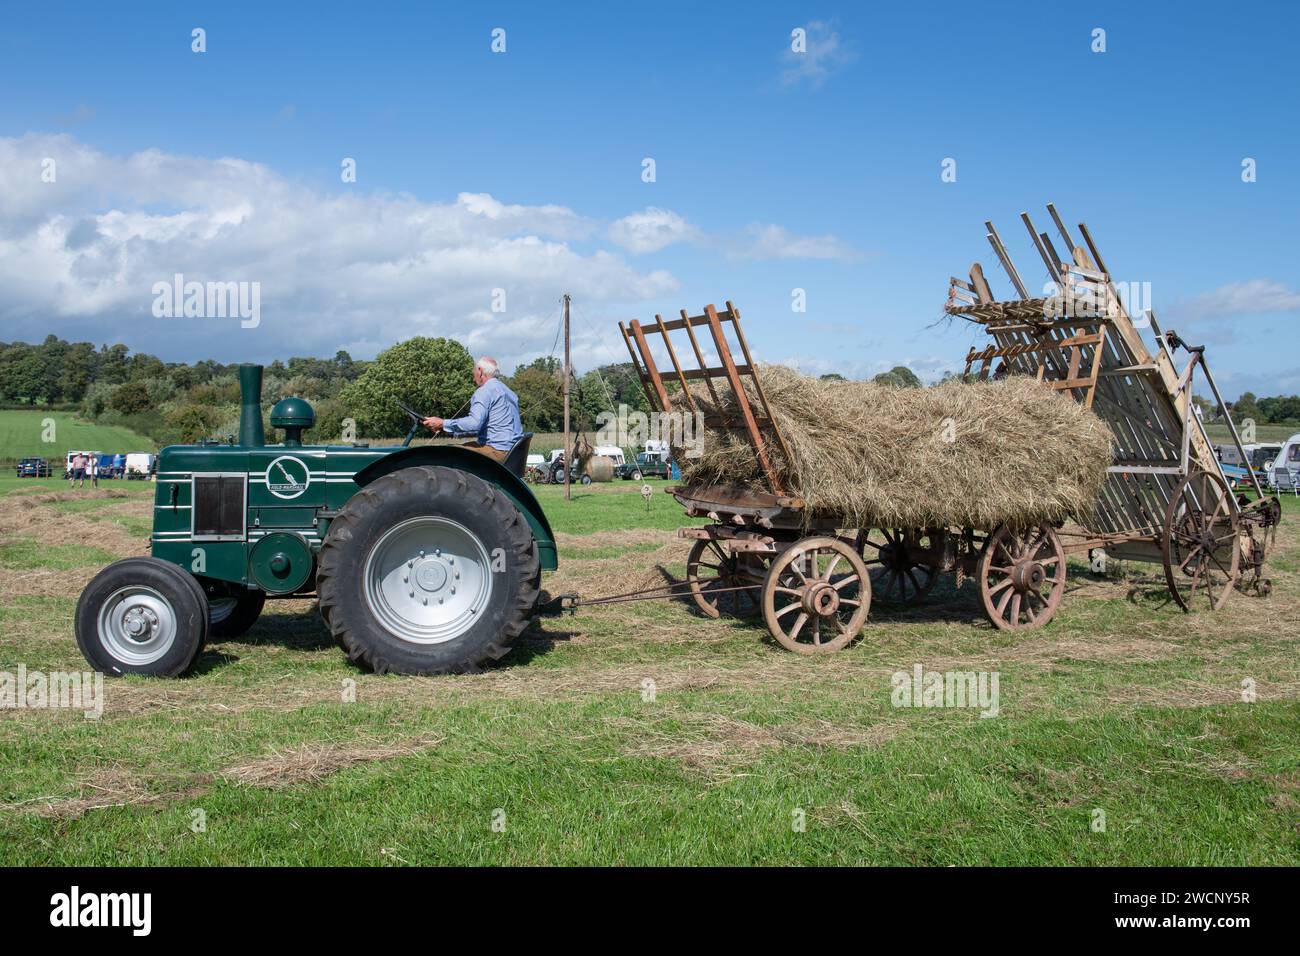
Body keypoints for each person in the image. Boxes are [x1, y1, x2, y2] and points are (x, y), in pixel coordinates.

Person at [423, 357, 523, 464]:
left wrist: (442, 423)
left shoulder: (484, 391)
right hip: (513, 454)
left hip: (497, 451)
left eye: (474, 371)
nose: (473, 377)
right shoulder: (509, 392)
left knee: (437, 454)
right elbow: (479, 429)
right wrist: (447, 430)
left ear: (480, 371)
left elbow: (474, 423)